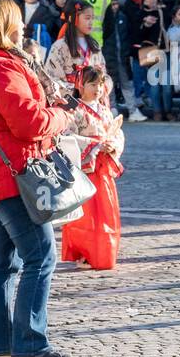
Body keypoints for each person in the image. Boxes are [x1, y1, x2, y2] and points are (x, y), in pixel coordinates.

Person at [0, 0, 74, 357]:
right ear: (7, 26)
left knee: (2, 264)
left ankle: (1, 341)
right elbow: (28, 123)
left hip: (1, 175)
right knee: (40, 256)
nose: (25, 29)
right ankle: (28, 342)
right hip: (13, 176)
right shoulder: (3, 68)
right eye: (20, 24)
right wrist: (59, 116)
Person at [58, 67, 124, 270]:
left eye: (100, 84)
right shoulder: (74, 111)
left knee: (106, 211)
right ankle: (84, 252)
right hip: (86, 169)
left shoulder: (104, 109)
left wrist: (113, 144)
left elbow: (117, 132)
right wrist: (94, 144)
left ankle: (104, 251)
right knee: (87, 214)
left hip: (103, 168)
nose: (97, 88)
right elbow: (66, 138)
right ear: (81, 86)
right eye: (92, 84)